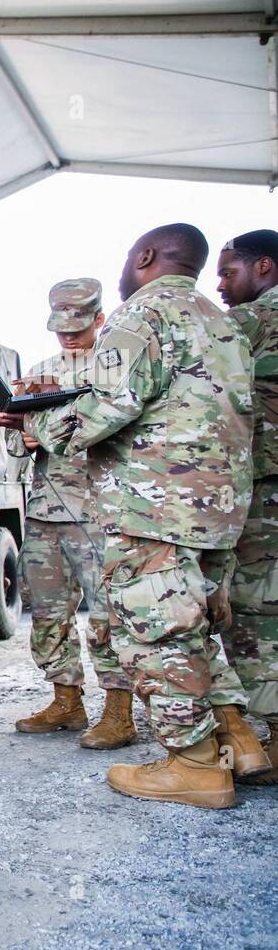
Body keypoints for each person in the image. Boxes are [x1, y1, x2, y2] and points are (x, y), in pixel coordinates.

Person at [0, 223, 258, 808]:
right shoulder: (221, 320)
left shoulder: (143, 316)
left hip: (153, 505)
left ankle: (193, 763)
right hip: (212, 505)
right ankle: (238, 741)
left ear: (144, 257)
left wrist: (35, 423)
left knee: (157, 630)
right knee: (192, 623)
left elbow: (109, 406)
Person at [6, 279, 135, 747]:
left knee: (108, 617)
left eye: (78, 326)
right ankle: (67, 702)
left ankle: (119, 714)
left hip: (100, 513)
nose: (69, 336)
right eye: (61, 329)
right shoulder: (39, 372)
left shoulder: (116, 372)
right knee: (46, 613)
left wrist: (56, 429)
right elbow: (15, 450)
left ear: (100, 319)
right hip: (46, 512)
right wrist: (20, 429)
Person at [217, 229, 278, 783]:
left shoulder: (251, 321)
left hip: (265, 491)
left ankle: (274, 742)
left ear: (263, 266)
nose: (219, 285)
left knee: (257, 609)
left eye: (227, 272)